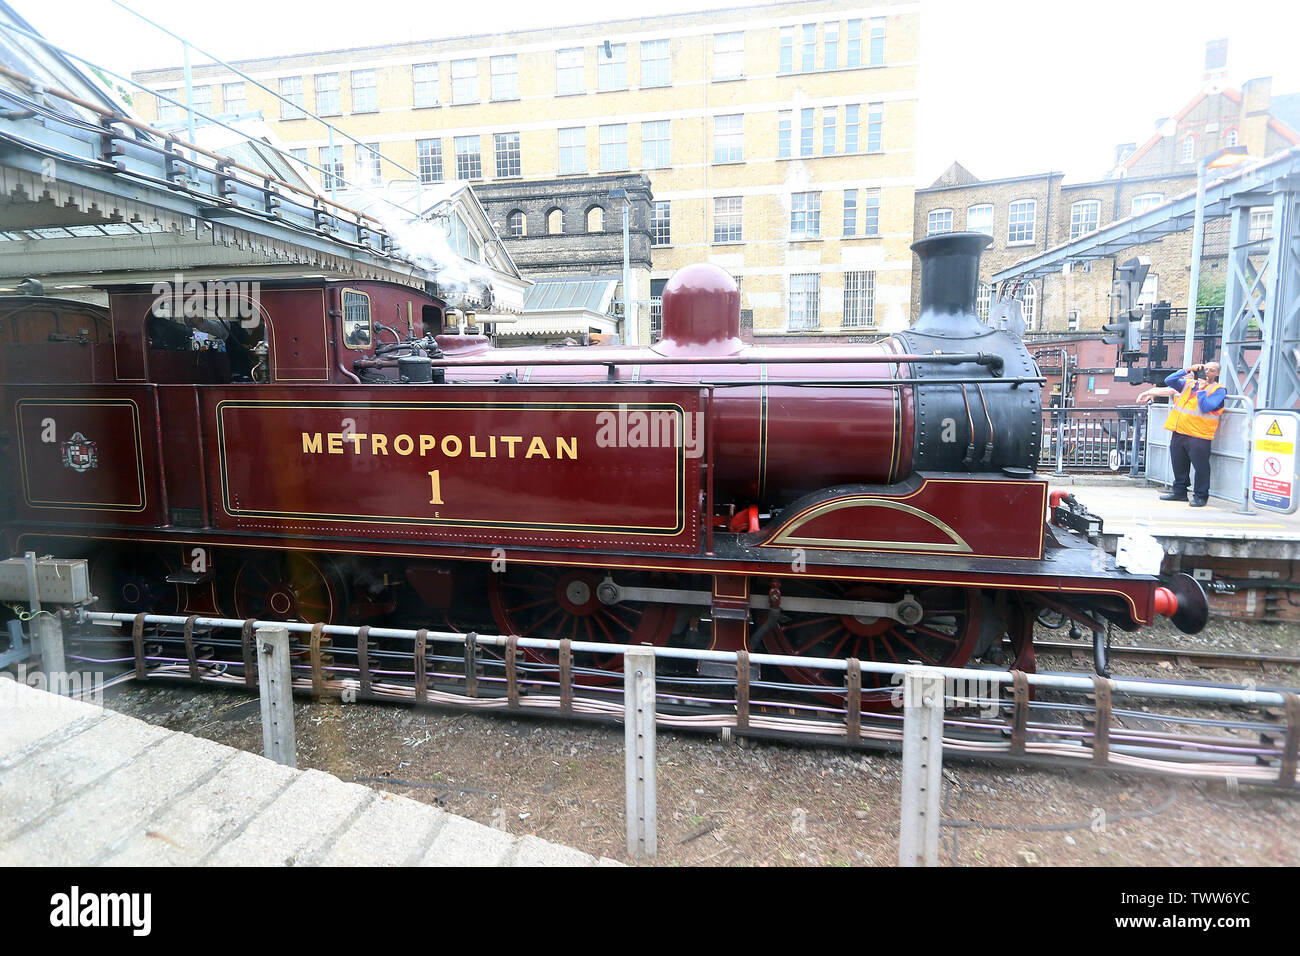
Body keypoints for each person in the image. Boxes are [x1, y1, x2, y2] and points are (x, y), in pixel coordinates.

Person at [1136, 361, 1225, 507]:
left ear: (1217, 374)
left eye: (1212, 370)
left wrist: (1202, 390)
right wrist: (1187, 370)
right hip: (1180, 431)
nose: (1207, 372)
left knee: (1201, 467)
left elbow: (1205, 407)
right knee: (1179, 463)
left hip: (1199, 434)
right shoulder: (1189, 384)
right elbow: (1169, 380)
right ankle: (1179, 491)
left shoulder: (1219, 389)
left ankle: (1201, 496)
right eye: (1205, 369)